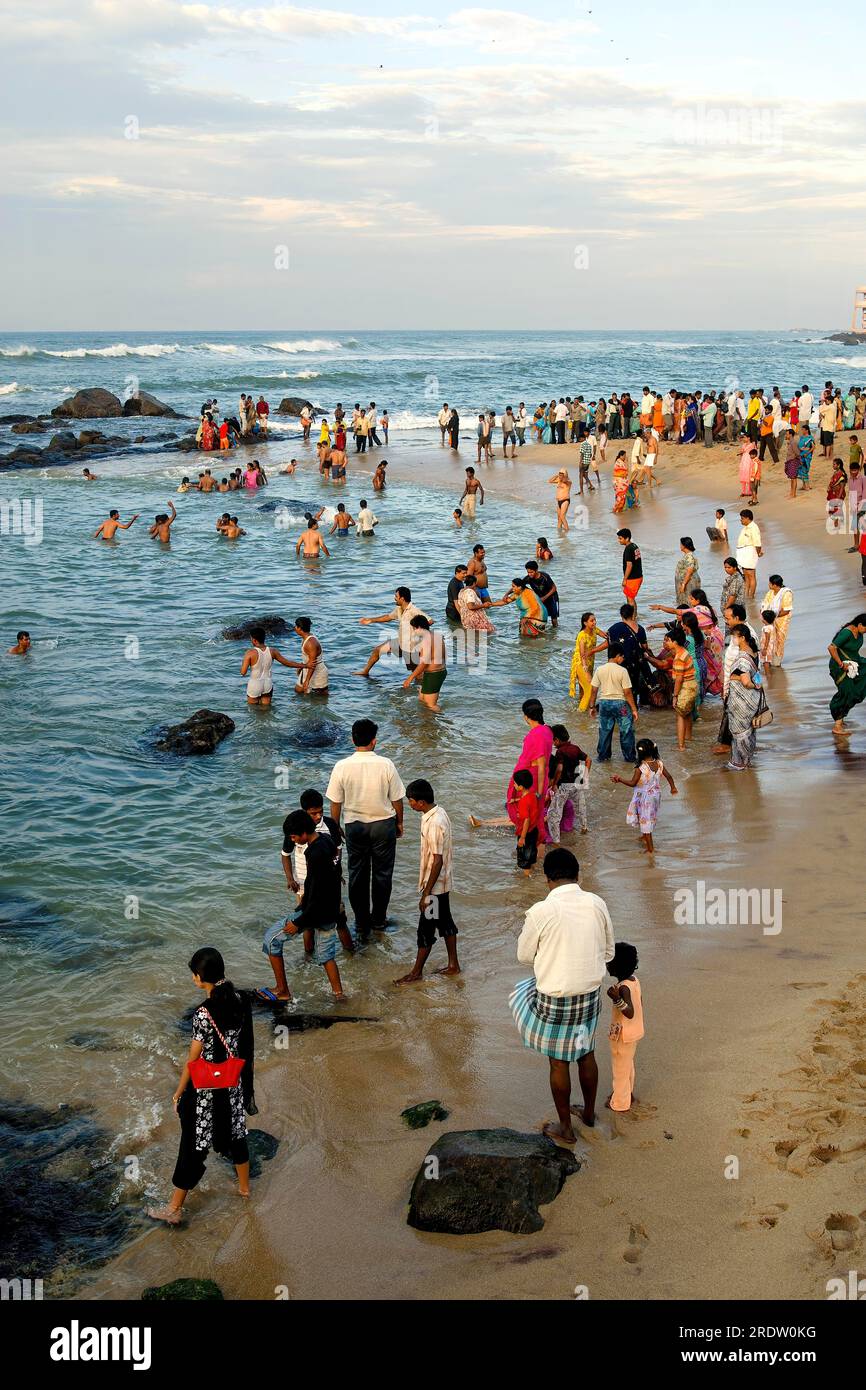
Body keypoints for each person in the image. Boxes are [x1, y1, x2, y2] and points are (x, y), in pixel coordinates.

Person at [509, 848, 615, 1142]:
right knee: (586, 1053)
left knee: (558, 1061)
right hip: (589, 995)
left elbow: (523, 956)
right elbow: (609, 952)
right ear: (578, 875)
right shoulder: (597, 903)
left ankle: (566, 1128)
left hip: (555, 998)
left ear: (547, 879)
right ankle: (590, 1113)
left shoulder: (541, 911)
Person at [147, 947, 254, 1226]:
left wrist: (179, 1091)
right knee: (236, 1133)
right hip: (232, 1083)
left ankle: (174, 1209)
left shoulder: (203, 1014)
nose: (193, 978)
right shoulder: (241, 999)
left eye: (193, 974)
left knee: (193, 1146)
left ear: (199, 977)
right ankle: (244, 1189)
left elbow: (192, 1061)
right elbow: (244, 1043)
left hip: (207, 1089)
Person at [325, 718, 405, 938]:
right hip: (383, 825)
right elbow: (397, 798)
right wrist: (399, 821)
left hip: (355, 826)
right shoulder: (386, 764)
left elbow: (335, 802)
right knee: (382, 874)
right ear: (374, 741)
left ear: (353, 740)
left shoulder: (341, 766)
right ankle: (378, 919)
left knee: (357, 875)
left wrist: (336, 827)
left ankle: (361, 924)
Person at [264, 811, 354, 999]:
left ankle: (282, 990)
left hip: (314, 912)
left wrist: (299, 921)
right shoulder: (327, 841)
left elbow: (317, 894)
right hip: (330, 912)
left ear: (304, 832)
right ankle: (339, 994)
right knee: (326, 956)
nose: (293, 840)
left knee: (271, 940)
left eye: (294, 836)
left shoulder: (313, 853)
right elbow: (332, 878)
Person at [394, 780, 460, 983]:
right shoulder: (437, 813)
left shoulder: (434, 822)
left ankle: (416, 972)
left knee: (426, 929)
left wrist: (426, 893)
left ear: (421, 802)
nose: (410, 804)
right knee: (446, 923)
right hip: (441, 885)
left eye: (411, 801)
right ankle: (453, 965)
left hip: (435, 888)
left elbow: (437, 860)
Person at [611, 737, 677, 855]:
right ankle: (644, 836)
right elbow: (669, 776)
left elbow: (633, 783)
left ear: (639, 752)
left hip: (644, 797)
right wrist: (673, 787)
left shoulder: (640, 768)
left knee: (646, 821)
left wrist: (619, 779)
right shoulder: (659, 764)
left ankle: (650, 849)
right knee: (647, 816)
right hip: (656, 796)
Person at [354, 585, 430, 677]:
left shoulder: (414, 611)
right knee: (377, 650)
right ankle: (365, 671)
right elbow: (388, 617)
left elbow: (429, 621)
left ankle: (421, 689)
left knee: (418, 675)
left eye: (396, 597)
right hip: (400, 642)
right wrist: (371, 620)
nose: (394, 598)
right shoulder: (399, 609)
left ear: (402, 598)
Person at [605, 941, 645, 1113]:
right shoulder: (634, 980)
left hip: (623, 1034)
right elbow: (640, 1004)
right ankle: (628, 1093)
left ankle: (620, 1103)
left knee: (620, 1069)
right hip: (634, 1031)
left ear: (617, 967)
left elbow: (629, 1011)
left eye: (609, 962)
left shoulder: (623, 988)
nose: (607, 965)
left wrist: (616, 998)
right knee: (628, 1064)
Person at [589, 643, 638, 762]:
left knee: (605, 730)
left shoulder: (600, 669)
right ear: (617, 656)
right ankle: (629, 757)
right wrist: (634, 709)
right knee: (626, 731)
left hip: (604, 703)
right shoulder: (622, 671)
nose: (623, 659)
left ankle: (603, 756)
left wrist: (592, 707)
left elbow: (594, 690)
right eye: (622, 657)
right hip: (620, 704)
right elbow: (627, 693)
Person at [726, 624, 763, 769]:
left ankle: (740, 761)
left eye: (735, 637)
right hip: (751, 700)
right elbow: (757, 675)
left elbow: (746, 682)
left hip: (742, 701)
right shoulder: (754, 653)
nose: (733, 639)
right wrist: (758, 685)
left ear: (742, 638)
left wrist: (754, 685)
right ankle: (746, 759)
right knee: (749, 730)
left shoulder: (742, 658)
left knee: (739, 730)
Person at [547, 724, 591, 840]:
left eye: (553, 740)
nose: (552, 743)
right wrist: (585, 776)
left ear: (556, 739)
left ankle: (556, 840)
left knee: (554, 814)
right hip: (577, 782)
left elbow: (560, 769)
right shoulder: (575, 748)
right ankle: (584, 828)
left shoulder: (560, 752)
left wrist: (554, 784)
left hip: (564, 785)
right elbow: (588, 760)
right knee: (580, 808)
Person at [828, 613, 866, 735]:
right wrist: (841, 664)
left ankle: (840, 718)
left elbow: (853, 651)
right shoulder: (847, 633)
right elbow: (831, 648)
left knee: (855, 690)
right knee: (847, 692)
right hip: (840, 666)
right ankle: (837, 726)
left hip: (853, 663)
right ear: (860, 624)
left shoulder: (859, 633)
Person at [240, 626, 296, 705]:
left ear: (254, 640)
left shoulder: (250, 653)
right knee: (266, 710)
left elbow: (243, 672)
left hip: (255, 684)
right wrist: (305, 665)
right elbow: (287, 663)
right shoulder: (273, 651)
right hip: (267, 684)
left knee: (253, 709)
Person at [403, 614, 447, 710]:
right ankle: (427, 723)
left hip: (434, 674)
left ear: (419, 627)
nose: (414, 631)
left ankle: (441, 723)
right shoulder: (436, 635)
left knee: (431, 705)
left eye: (414, 628)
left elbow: (423, 663)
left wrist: (410, 678)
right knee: (422, 699)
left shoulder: (426, 640)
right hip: (437, 672)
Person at [569, 611, 607, 711]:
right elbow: (582, 654)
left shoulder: (594, 630)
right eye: (591, 621)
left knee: (583, 690)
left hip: (590, 663)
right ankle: (580, 713)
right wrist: (585, 670)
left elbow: (604, 635)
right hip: (580, 664)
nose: (594, 622)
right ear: (585, 623)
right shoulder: (582, 635)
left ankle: (582, 714)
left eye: (595, 620)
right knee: (590, 688)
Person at [511, 769, 540, 873]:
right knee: (530, 854)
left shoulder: (524, 802)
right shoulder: (532, 795)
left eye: (515, 783)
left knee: (524, 860)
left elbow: (526, 820)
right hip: (534, 830)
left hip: (526, 833)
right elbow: (533, 800)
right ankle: (531, 871)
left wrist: (522, 838)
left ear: (521, 787)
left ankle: (526, 878)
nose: (514, 785)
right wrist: (516, 800)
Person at [291, 615, 329, 695]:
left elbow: (313, 664)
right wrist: (301, 666)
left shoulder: (310, 643)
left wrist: (307, 681)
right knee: (298, 691)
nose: (295, 628)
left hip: (317, 672)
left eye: (296, 626)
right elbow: (309, 659)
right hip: (307, 669)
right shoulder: (306, 638)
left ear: (300, 628)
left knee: (320, 698)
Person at [761, 576, 793, 665]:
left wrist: (773, 616)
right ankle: (768, 658)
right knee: (769, 638)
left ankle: (777, 661)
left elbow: (786, 610)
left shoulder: (786, 593)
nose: (768, 585)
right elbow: (765, 604)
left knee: (779, 639)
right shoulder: (770, 593)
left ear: (774, 585)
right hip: (769, 620)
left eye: (770, 583)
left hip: (781, 620)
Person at [735, 510, 762, 599]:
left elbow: (757, 543)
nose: (741, 520)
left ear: (747, 518)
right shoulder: (746, 527)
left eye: (742, 518)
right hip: (743, 554)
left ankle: (751, 595)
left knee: (751, 575)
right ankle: (746, 595)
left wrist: (758, 553)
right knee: (746, 575)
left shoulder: (753, 527)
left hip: (750, 553)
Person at [524, 560, 559, 625]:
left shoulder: (545, 576)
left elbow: (554, 588)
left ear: (536, 570)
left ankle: (554, 633)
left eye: (531, 572)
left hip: (552, 597)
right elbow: (518, 585)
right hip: (540, 598)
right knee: (540, 616)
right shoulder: (528, 578)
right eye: (528, 572)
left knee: (554, 618)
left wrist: (544, 598)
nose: (529, 574)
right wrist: (507, 594)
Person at [617, 528, 643, 609]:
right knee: (630, 598)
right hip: (637, 576)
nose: (619, 540)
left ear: (627, 538)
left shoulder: (628, 549)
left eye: (620, 538)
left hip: (633, 578)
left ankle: (632, 619)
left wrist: (624, 579)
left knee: (630, 600)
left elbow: (629, 565)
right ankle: (633, 617)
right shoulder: (634, 546)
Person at [674, 537, 700, 605]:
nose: (680, 546)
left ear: (684, 545)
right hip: (687, 581)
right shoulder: (688, 555)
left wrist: (683, 584)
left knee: (689, 601)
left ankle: (689, 615)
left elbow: (689, 571)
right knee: (686, 601)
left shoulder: (689, 556)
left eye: (681, 544)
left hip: (689, 582)